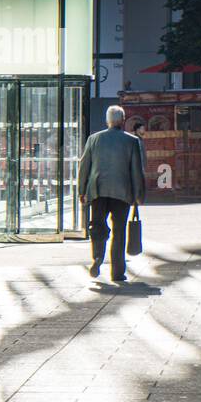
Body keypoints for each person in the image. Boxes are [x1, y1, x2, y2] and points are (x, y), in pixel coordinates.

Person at [78, 104, 145, 283]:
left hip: (97, 191)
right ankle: (117, 272)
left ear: (107, 120)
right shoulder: (132, 141)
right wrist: (139, 194)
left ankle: (98, 257)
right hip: (122, 193)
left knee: (97, 226)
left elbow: (84, 166)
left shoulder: (94, 139)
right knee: (119, 232)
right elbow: (136, 171)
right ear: (122, 121)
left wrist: (81, 190)